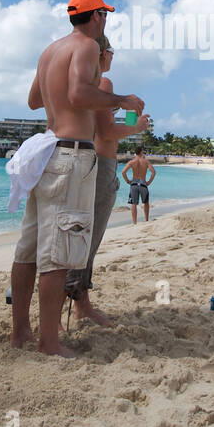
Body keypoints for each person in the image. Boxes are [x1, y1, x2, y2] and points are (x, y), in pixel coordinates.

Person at [5, 0, 142, 358]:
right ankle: (49, 343)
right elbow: (80, 94)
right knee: (59, 255)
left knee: (29, 250)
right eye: (105, 15)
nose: (105, 22)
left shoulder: (50, 50)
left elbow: (35, 100)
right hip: (71, 155)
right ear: (96, 17)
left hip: (47, 155)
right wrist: (122, 101)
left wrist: (67, 99)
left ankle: (20, 333)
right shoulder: (86, 46)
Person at [63, 37, 149, 325]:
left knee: (77, 236)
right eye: (111, 52)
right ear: (104, 53)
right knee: (90, 239)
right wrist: (136, 128)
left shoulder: (74, 81)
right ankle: (81, 305)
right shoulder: (103, 84)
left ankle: (78, 302)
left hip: (81, 164)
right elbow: (108, 132)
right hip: (100, 165)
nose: (112, 57)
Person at [123, 145, 156, 223]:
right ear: (141, 152)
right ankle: (146, 220)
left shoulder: (131, 162)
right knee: (145, 202)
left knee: (134, 204)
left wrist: (128, 181)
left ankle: (134, 222)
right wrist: (149, 182)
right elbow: (153, 172)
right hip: (143, 183)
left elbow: (123, 172)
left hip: (134, 184)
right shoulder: (146, 161)